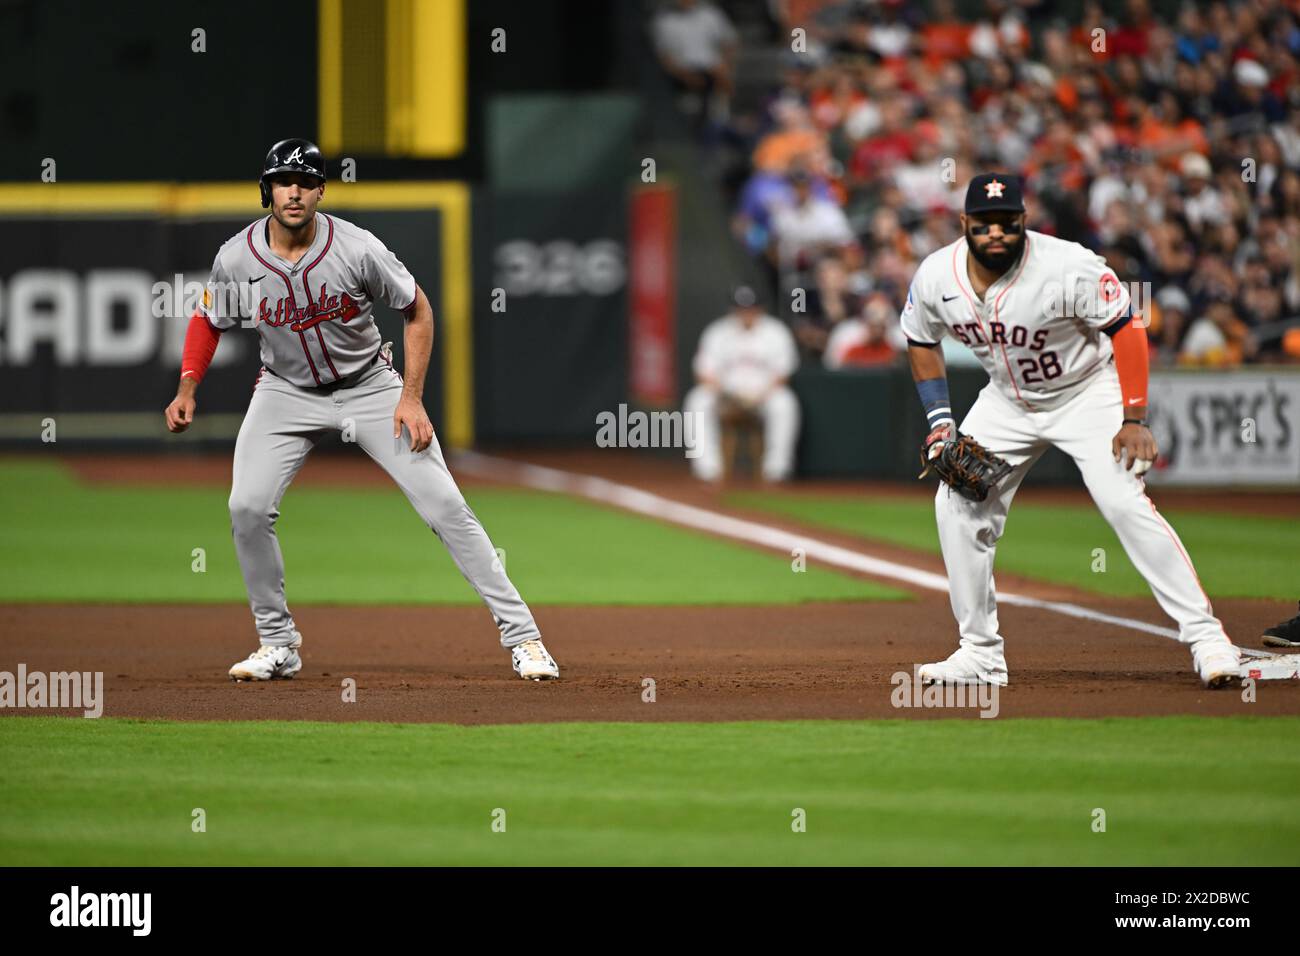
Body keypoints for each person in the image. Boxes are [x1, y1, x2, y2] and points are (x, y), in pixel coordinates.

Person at [164, 139, 559, 683]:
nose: (294, 191)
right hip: (285, 391)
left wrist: (411, 397)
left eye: (305, 181)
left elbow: (417, 310)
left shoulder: (357, 247)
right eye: (283, 181)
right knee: (247, 509)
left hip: (370, 385)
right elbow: (209, 320)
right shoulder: (237, 257)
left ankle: (525, 639)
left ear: (321, 190)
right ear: (267, 190)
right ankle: (278, 643)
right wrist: (188, 387)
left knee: (445, 505)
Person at [900, 173, 1240, 689]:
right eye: (985, 223)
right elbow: (919, 338)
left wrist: (1133, 418)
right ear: (964, 223)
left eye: (1007, 223)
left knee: (1122, 500)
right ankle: (981, 654)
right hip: (1006, 400)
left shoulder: (1067, 265)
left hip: (1086, 392)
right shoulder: (935, 277)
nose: (997, 233)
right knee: (956, 503)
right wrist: (940, 421)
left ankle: (1207, 637)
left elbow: (1126, 325)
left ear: (1023, 222)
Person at [683, 286, 800, 482]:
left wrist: (760, 395)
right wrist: (729, 395)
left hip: (764, 395)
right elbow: (704, 372)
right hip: (727, 395)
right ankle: (707, 466)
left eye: (751, 308)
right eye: (741, 308)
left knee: (785, 402)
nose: (746, 313)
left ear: (761, 308)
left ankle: (777, 468)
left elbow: (783, 375)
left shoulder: (776, 332)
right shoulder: (718, 331)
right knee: (698, 399)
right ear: (733, 309)